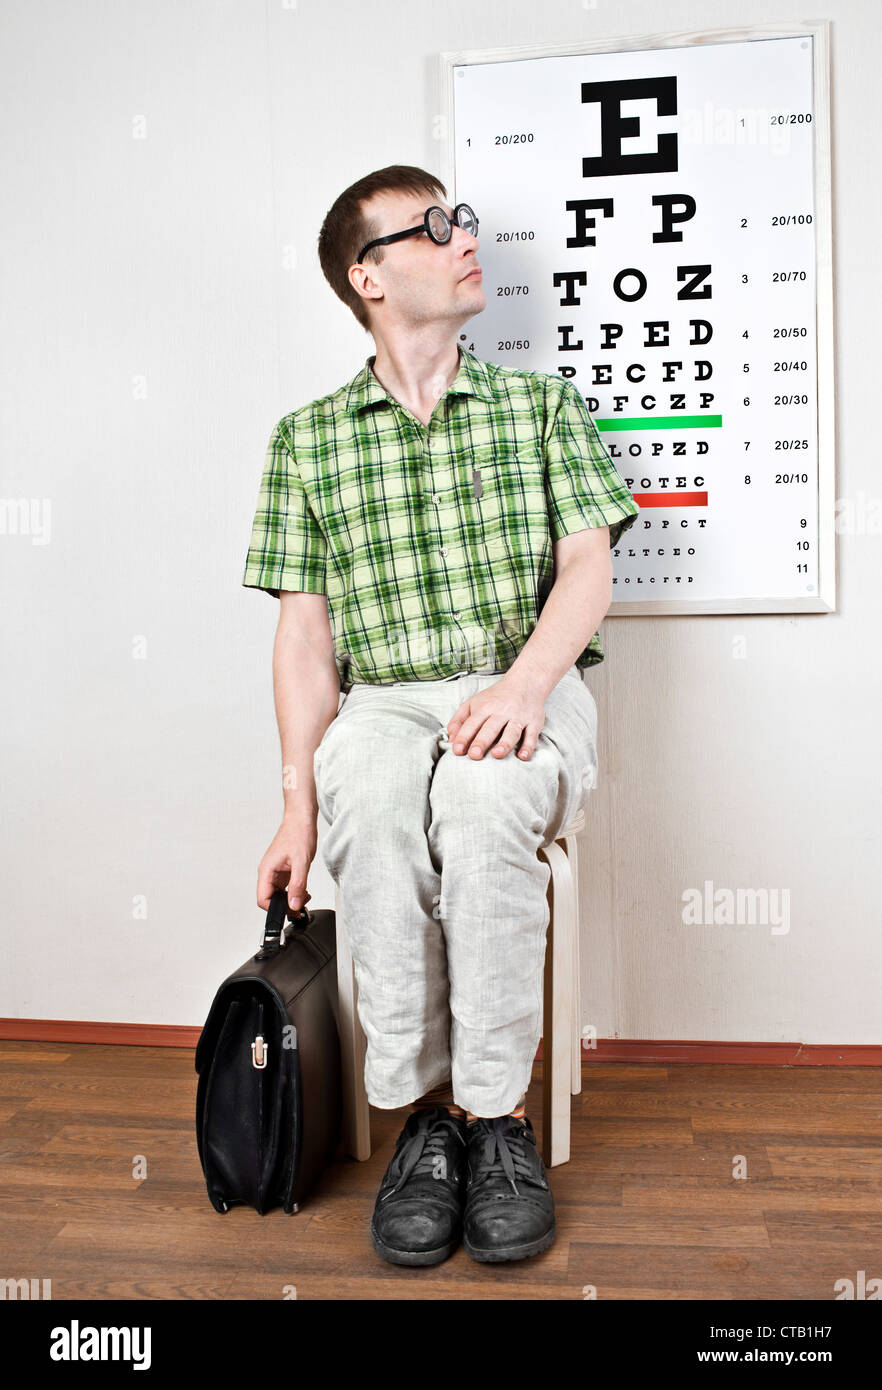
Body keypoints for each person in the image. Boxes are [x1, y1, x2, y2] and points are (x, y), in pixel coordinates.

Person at [241, 164, 639, 1267]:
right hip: (383, 699)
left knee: (482, 790)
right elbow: (306, 640)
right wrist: (292, 809)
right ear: (368, 277)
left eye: (461, 217)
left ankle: (495, 1117)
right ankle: (425, 1118)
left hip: (528, 677)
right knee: (359, 786)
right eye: (433, 227)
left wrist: (522, 686)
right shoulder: (306, 440)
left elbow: (587, 566)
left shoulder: (541, 406)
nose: (465, 237)